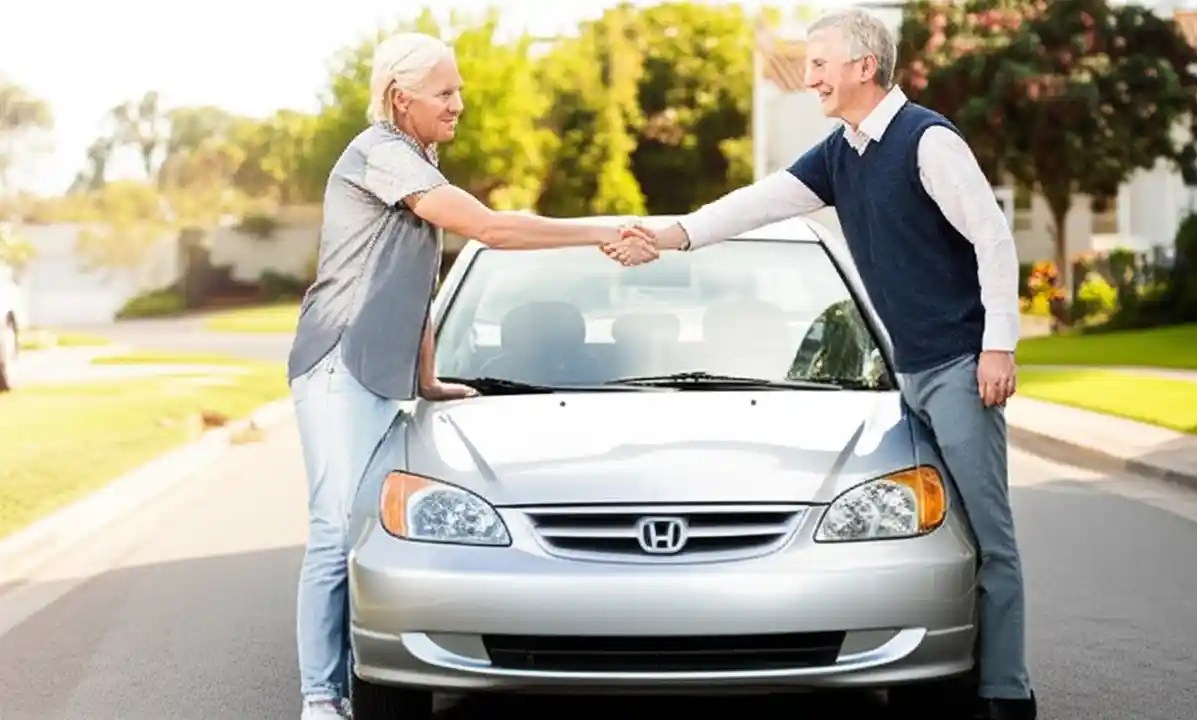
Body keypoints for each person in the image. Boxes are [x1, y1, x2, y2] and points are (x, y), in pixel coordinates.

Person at [605, 7, 1035, 720]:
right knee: (938, 536)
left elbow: (993, 238)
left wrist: (998, 347)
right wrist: (671, 236)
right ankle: (946, 675)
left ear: (864, 66)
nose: (809, 79)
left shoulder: (926, 142)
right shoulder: (842, 152)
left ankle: (1006, 695)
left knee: (990, 539)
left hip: (959, 367)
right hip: (909, 376)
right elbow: (759, 203)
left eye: (819, 65)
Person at [287, 32, 656, 720]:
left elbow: (414, 282)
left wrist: (427, 381)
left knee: (357, 527)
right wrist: (604, 228)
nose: (460, 104)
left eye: (458, 90)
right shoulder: (379, 155)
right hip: (340, 363)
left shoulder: (417, 158)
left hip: (378, 370)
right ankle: (320, 697)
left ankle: (334, 687)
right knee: (335, 529)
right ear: (402, 100)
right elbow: (495, 231)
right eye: (445, 93)